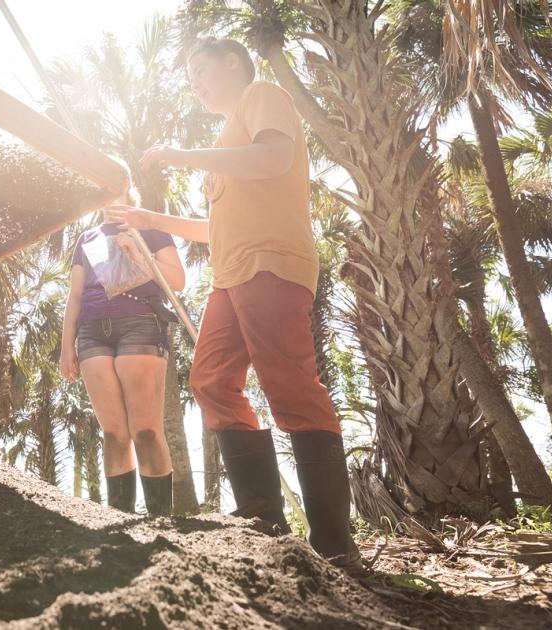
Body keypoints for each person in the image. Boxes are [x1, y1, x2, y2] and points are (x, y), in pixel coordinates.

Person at [106, 37, 362, 571]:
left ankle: (336, 545)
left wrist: (181, 154)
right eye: (190, 75)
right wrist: (153, 221)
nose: (195, 83)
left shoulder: (261, 95)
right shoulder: (227, 138)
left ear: (232, 63)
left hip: (271, 262)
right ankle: (264, 524)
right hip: (231, 274)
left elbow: (274, 158)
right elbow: (214, 227)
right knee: (212, 382)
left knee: (289, 387)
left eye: (201, 70)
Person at [60, 186, 186, 516]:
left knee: (145, 432)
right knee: (114, 435)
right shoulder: (86, 238)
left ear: (126, 188)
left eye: (112, 187)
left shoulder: (151, 227)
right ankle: (120, 523)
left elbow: (178, 280)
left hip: (140, 322)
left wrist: (138, 253)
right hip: (91, 332)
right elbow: (74, 296)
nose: (106, 196)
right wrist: (65, 347)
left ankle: (161, 525)